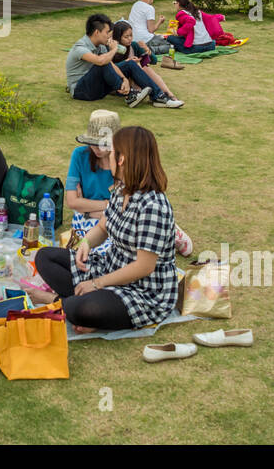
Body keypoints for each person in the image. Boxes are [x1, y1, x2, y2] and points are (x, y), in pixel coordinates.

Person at [35, 125, 182, 332]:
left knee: (79, 308)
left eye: (112, 152)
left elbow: (144, 267)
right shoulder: (122, 189)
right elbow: (103, 227)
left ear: (121, 159)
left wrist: (97, 284)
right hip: (110, 267)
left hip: (142, 290)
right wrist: (85, 243)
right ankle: (87, 308)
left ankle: (62, 302)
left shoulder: (153, 206)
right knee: (44, 257)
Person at [65, 14, 179, 108]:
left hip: (97, 87)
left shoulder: (101, 46)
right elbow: (101, 62)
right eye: (107, 32)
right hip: (81, 91)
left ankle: (158, 97)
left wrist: (124, 79)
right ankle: (130, 96)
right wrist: (114, 49)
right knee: (103, 62)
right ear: (96, 32)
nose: (109, 36)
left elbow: (110, 64)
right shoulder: (80, 48)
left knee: (130, 63)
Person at [65, 110, 118, 253]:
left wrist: (86, 209)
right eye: (92, 143)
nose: (96, 148)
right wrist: (109, 205)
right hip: (86, 221)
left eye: (101, 144)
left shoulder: (123, 161)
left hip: (110, 221)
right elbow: (72, 202)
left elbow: (125, 209)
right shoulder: (80, 155)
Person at [111, 21, 184, 107]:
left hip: (136, 81)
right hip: (121, 84)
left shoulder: (133, 46)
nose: (130, 38)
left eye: (131, 35)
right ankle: (162, 97)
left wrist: (147, 50)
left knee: (146, 68)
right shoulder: (112, 48)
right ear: (118, 38)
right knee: (134, 65)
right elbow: (110, 69)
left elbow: (154, 61)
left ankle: (169, 95)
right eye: (126, 37)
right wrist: (127, 61)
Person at [127, 0, 181, 68]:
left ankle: (148, 48)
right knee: (172, 46)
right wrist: (160, 21)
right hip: (146, 38)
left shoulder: (135, 5)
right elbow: (151, 30)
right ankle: (151, 50)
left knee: (161, 38)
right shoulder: (149, 8)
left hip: (134, 38)